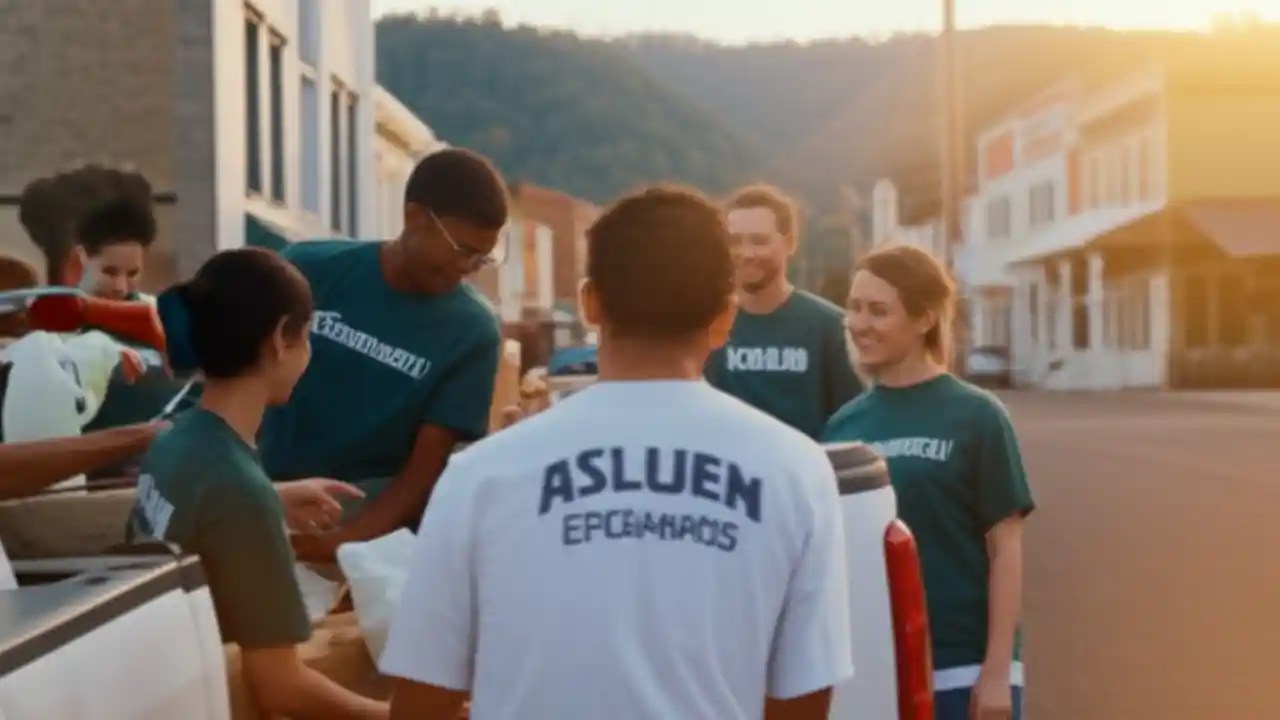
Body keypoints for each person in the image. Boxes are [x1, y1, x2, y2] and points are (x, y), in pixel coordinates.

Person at [380, 186, 853, 720]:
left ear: (589, 303)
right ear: (726, 317)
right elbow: (803, 698)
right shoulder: (796, 472)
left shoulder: (480, 475)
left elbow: (421, 699)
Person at [126, 248, 385, 719]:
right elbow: (280, 688)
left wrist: (270, 496)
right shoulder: (238, 488)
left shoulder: (178, 441)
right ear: (279, 340)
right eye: (305, 336)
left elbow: (194, 512)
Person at [821, 245, 1035, 720]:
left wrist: (998, 670)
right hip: (876, 669)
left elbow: (1006, 547)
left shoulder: (977, 416)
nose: (860, 323)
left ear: (924, 320)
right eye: (854, 308)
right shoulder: (842, 427)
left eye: (879, 310)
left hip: (963, 666)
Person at [264, 148, 508, 563]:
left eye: (481, 258)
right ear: (415, 217)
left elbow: (424, 472)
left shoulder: (472, 331)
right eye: (462, 249)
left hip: (364, 506)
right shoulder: (309, 270)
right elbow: (237, 381)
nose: (468, 267)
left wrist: (345, 545)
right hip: (265, 485)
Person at [705, 184, 863, 439]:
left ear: (790, 242)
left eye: (759, 241)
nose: (746, 253)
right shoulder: (704, 329)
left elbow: (853, 423)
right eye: (735, 241)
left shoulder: (830, 328)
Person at [75, 194, 156, 302]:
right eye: (110, 272)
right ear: (82, 256)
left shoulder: (156, 312)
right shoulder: (55, 312)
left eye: (132, 274)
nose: (121, 288)